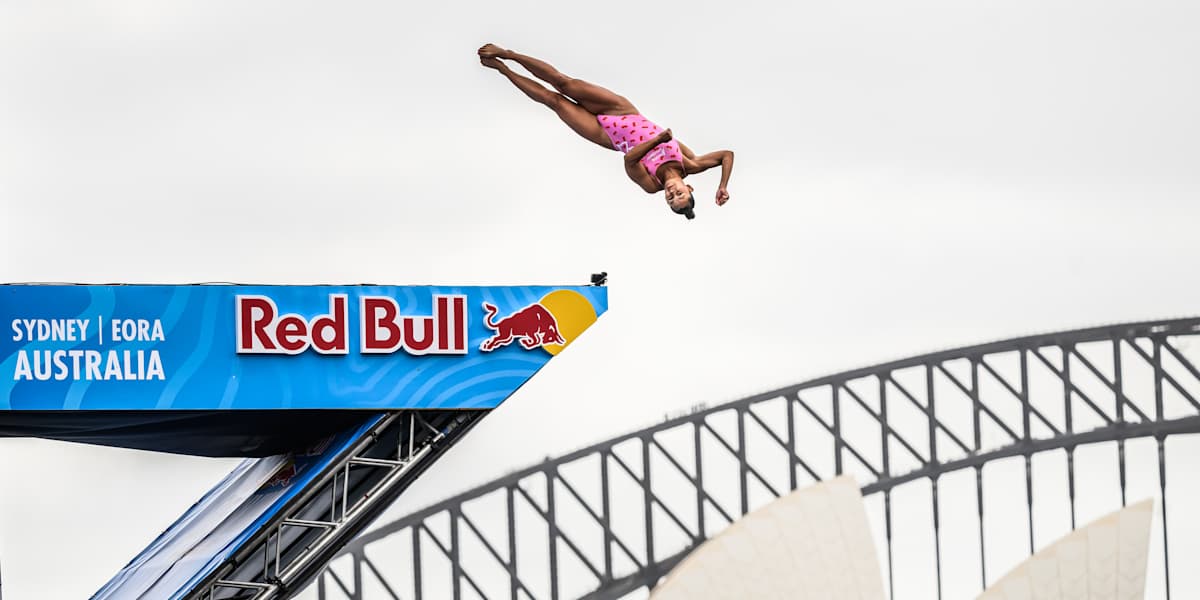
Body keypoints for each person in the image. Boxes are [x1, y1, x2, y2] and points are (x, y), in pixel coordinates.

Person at [478, 44, 734, 220]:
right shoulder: (691, 164)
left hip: (608, 136)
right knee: (563, 83)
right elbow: (726, 155)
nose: (671, 193)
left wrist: (658, 139)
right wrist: (723, 185)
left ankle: (503, 69)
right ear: (689, 187)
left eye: (670, 199)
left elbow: (630, 159)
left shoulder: (651, 184)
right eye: (679, 193)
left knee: (554, 101)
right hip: (621, 111)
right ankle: (509, 54)